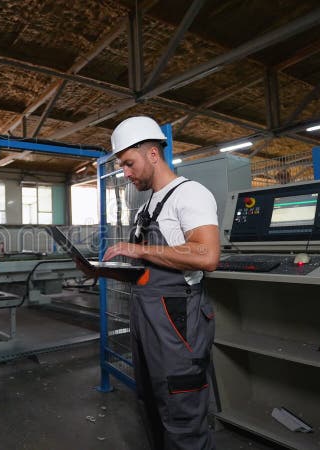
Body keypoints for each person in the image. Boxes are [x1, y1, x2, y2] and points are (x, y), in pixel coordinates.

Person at [103, 116, 220, 450]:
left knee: (181, 405)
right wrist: (106, 270)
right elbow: (153, 263)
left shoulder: (190, 194)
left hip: (177, 317)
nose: (125, 172)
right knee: (153, 402)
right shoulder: (150, 203)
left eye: (129, 163)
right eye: (121, 165)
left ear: (153, 154)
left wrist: (138, 249)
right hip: (146, 313)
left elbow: (207, 255)